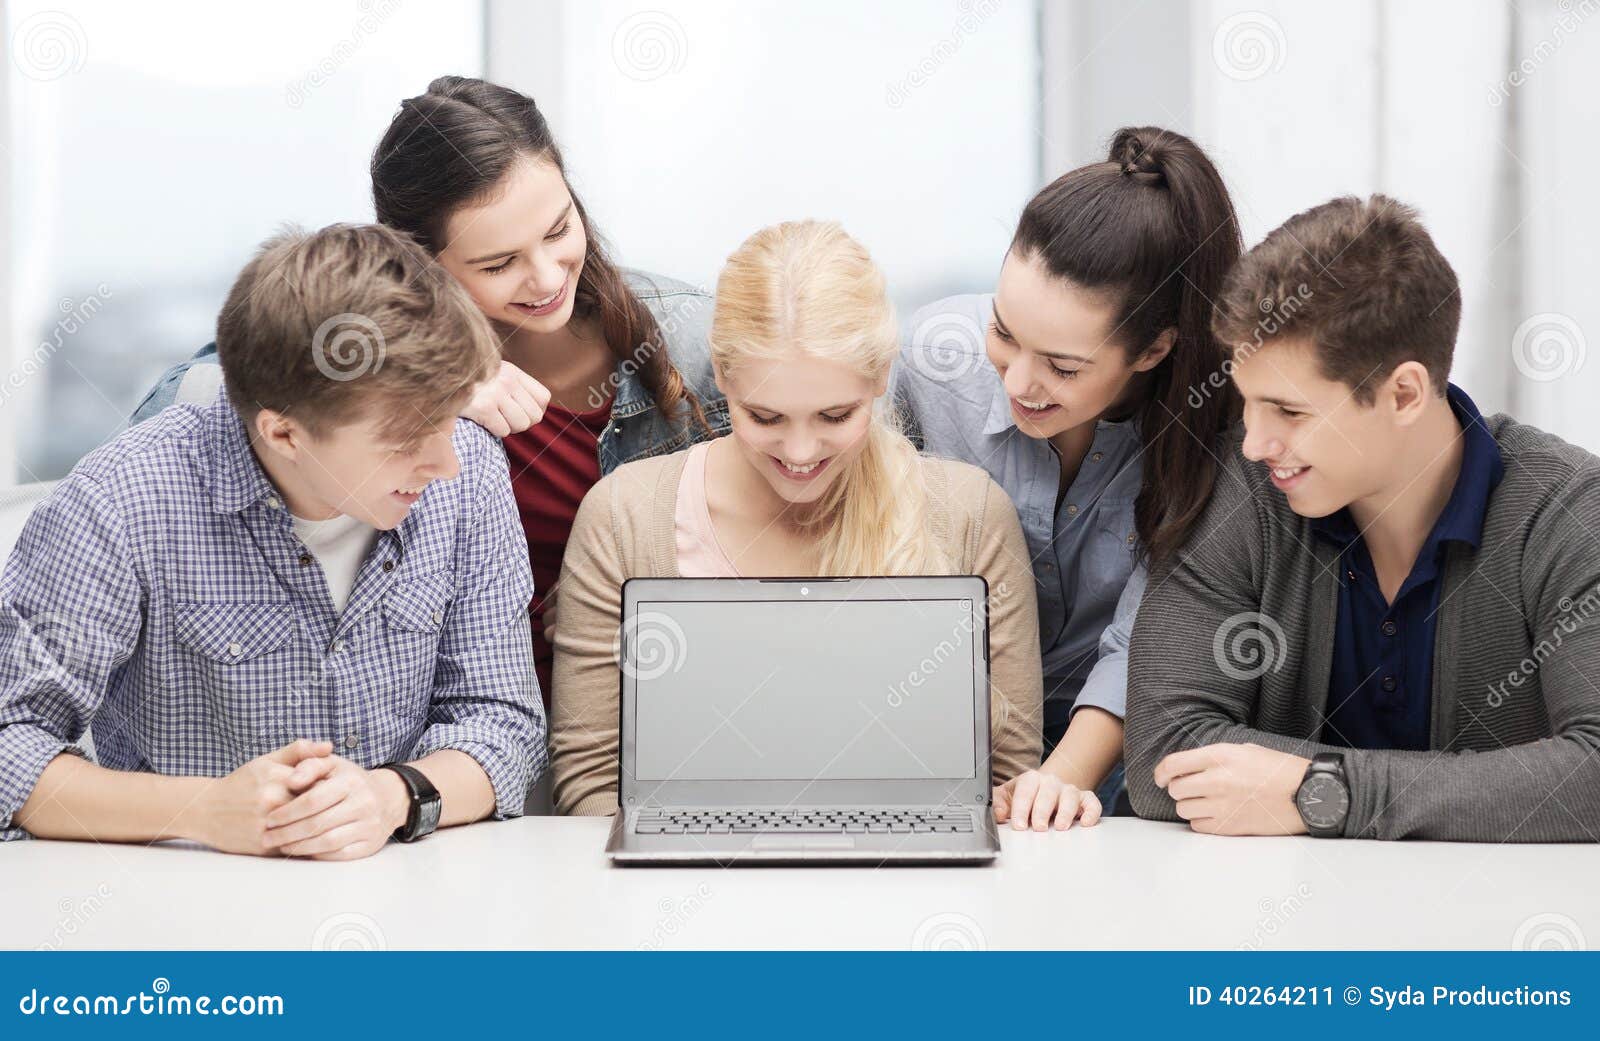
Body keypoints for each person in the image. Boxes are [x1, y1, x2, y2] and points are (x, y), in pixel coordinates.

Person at [129, 76, 729, 703]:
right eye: (498, 265)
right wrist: (431, 380)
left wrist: (636, 599)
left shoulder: (693, 344)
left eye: (558, 231)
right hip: (445, 731)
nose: (548, 277)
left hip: (642, 710)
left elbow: (793, 546)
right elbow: (182, 410)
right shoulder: (366, 350)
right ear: (418, 261)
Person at [0, 223, 544, 858]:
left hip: (407, 901)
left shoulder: (470, 472)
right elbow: (11, 743)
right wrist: (205, 811)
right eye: (403, 440)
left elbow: (504, 723)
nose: (444, 463)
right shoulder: (117, 502)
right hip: (178, 911)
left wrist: (393, 795)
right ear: (284, 434)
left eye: (449, 420)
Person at [1125, 194, 1600, 842]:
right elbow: (1165, 755)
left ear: (1403, 393)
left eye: (1288, 412)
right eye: (1247, 404)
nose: (1252, 443)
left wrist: (1328, 793)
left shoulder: (1568, 512)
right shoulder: (1242, 494)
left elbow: (1592, 774)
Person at [550, 220, 1044, 816]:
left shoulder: (970, 515)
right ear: (724, 379)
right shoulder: (623, 517)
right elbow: (589, 791)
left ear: (882, 375)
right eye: (765, 417)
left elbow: (1012, 786)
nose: (801, 453)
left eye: (836, 415)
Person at [895, 127, 1241, 830]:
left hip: (1124, 760)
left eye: (1064, 366)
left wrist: (1056, 781)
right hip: (937, 734)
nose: (1020, 381)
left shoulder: (1212, 433)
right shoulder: (930, 364)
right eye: (1003, 332)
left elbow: (1141, 637)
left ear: (1153, 349)